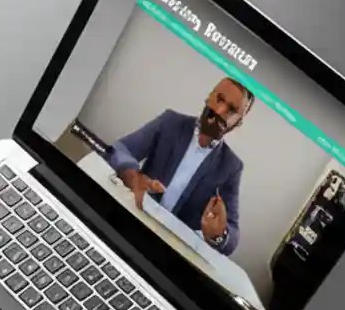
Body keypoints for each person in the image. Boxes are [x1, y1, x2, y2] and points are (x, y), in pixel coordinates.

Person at [107, 77, 254, 255]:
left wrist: (219, 235)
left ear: (237, 123)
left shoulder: (231, 166)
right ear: (209, 97)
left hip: (168, 250)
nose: (220, 110)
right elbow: (118, 149)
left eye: (231, 110)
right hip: (131, 220)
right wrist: (133, 177)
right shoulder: (170, 123)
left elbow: (232, 233)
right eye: (219, 99)